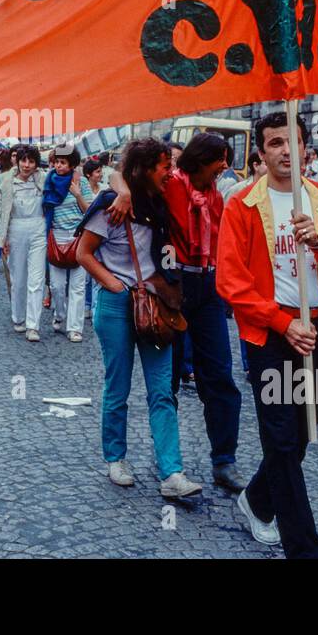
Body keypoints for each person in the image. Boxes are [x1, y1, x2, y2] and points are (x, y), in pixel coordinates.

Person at [216, 112, 318, 558]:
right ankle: (304, 549)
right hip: (270, 333)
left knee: (302, 431)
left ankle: (257, 499)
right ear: (260, 154)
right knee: (280, 437)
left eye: (293, 141)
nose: (286, 151)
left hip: (316, 327)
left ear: (306, 148)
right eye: (276, 143)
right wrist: (283, 323)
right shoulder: (241, 203)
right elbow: (230, 280)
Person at [109, 131, 245, 490]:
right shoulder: (170, 184)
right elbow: (123, 171)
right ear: (200, 161)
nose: (225, 167)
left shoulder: (216, 194)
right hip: (172, 288)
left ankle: (224, 461)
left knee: (218, 376)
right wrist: (122, 190)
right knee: (165, 380)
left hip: (208, 286)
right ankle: (168, 462)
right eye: (220, 160)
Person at [76, 138, 203, 500]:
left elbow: (121, 174)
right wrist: (116, 287)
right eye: (165, 165)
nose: (171, 172)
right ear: (147, 168)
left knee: (162, 389)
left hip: (156, 304)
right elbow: (84, 253)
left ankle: (172, 472)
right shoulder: (110, 205)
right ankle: (115, 458)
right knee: (117, 386)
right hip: (118, 305)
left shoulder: (160, 201)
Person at [0, 145, 47, 340]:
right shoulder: (6, 179)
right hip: (15, 228)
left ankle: (33, 325)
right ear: (17, 160)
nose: (27, 165)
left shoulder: (43, 178)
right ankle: (19, 317)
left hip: (38, 227)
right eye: (24, 160)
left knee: (36, 279)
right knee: (18, 278)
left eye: (31, 161)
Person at [44, 145, 94, 341]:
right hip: (56, 236)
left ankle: (75, 328)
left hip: (78, 237)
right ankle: (60, 314)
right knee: (56, 286)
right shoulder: (49, 180)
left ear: (72, 164)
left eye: (63, 162)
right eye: (56, 162)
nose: (58, 166)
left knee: (77, 286)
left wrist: (78, 194)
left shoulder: (81, 182)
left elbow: (89, 211)